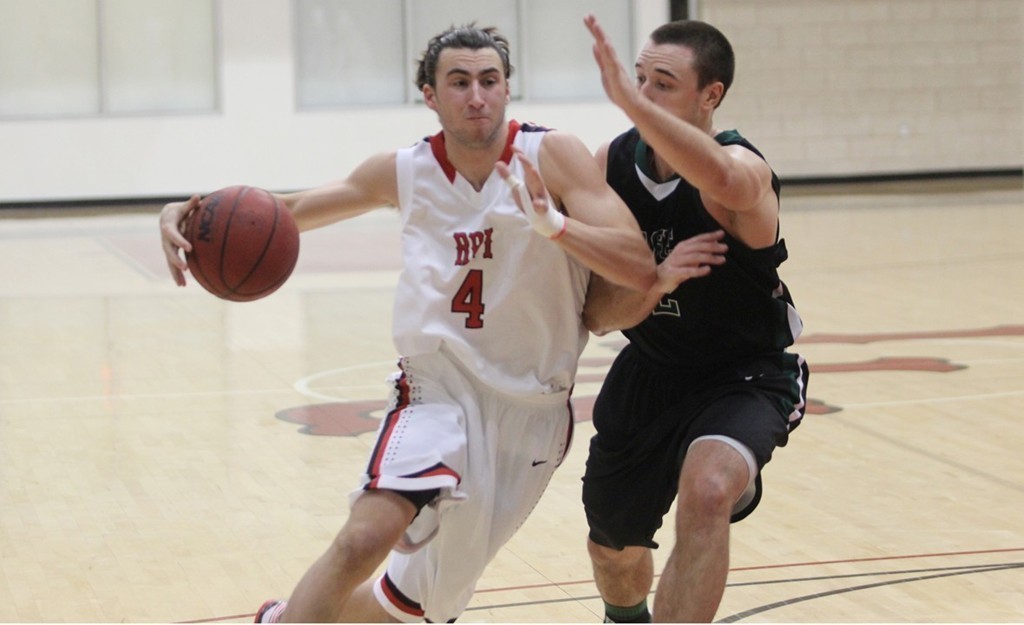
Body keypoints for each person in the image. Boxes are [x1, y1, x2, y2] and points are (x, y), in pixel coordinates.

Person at [160, 24, 659, 623]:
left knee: (416, 606)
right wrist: (183, 214)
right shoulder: (404, 171)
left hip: (532, 409)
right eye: (459, 82)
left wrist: (554, 223)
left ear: (506, 89)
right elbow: (280, 214)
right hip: (435, 390)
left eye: (489, 81)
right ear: (430, 95)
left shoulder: (553, 156)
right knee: (363, 538)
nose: (477, 96)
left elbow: (635, 262)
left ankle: (281, 617)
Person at [578, 15, 810, 623]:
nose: (644, 95)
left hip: (745, 373)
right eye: (638, 81)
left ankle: (730, 475)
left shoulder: (743, 169)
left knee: (705, 492)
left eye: (663, 83)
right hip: (650, 372)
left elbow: (724, 180)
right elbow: (599, 317)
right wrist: (656, 282)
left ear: (711, 96)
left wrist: (631, 103)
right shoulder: (612, 165)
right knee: (613, 550)